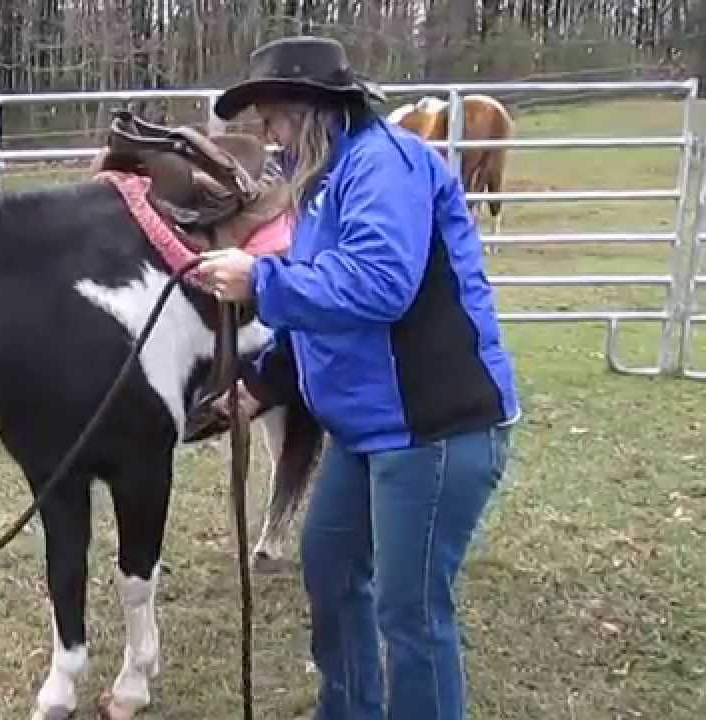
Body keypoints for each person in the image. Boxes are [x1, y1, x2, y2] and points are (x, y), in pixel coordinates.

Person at [196, 36, 521, 720]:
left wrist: (260, 278)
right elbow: (321, 307)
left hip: (432, 427)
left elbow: (378, 286)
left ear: (316, 110)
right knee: (332, 569)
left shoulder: (382, 166)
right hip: (371, 427)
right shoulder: (324, 181)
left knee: (412, 611)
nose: (270, 137)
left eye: (276, 117)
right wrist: (261, 383)